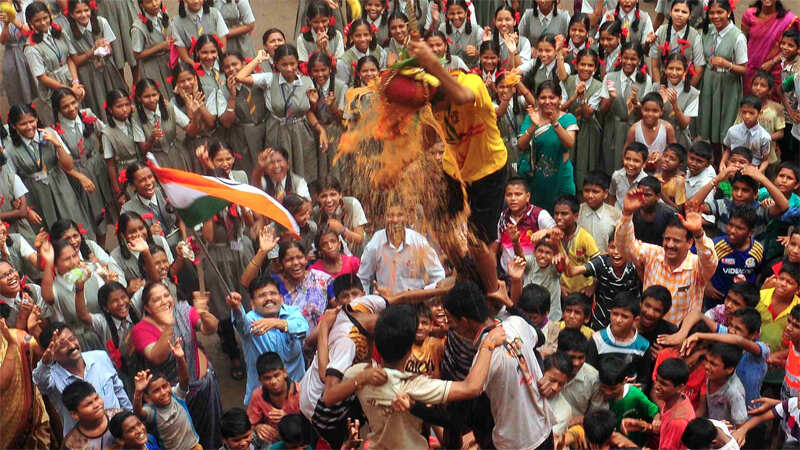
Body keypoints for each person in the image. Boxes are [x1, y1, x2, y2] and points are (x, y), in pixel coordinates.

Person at [342, 304, 506, 449]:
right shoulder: (415, 385)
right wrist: (488, 343)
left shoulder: (359, 374)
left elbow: (329, 388)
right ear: (409, 350)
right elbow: (471, 387)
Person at [406, 36, 509, 241]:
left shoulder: (472, 81)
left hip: (488, 169)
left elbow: (462, 97)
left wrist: (432, 63)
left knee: (480, 239)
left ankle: (486, 274)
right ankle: (460, 269)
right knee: (447, 229)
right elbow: (425, 142)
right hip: (454, 172)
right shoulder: (430, 101)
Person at [442, 280, 555, 449]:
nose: (450, 327)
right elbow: (540, 337)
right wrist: (510, 304)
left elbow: (469, 392)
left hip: (515, 444)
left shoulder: (483, 360)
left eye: (451, 322)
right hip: (544, 432)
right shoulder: (516, 323)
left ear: (464, 322)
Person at [129, 282, 222, 449]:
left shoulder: (183, 309)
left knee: (211, 435)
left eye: (166, 295)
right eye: (157, 300)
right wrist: (168, 325)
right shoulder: (141, 329)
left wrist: (204, 313)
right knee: (183, 440)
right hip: (171, 399)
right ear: (147, 308)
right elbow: (157, 356)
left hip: (202, 385)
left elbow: (211, 329)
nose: (164, 301)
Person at [616, 188, 718, 325]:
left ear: (689, 242)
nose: (669, 244)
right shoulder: (653, 254)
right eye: (667, 239)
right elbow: (624, 248)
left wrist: (699, 233)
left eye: (676, 241)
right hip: (647, 330)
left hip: (679, 338)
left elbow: (710, 261)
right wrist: (627, 214)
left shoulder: (696, 265)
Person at [33, 322, 132, 437]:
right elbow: (40, 381)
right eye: (63, 345)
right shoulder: (52, 377)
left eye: (72, 339)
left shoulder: (100, 357)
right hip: (85, 443)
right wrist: (45, 362)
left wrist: (131, 416)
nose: (72, 346)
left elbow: (118, 391)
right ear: (52, 354)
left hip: (119, 434)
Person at [228, 275, 308, 405]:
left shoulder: (293, 313)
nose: (269, 298)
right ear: (252, 304)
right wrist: (236, 308)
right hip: (263, 400)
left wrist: (276, 323)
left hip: (297, 395)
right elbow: (241, 322)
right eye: (262, 295)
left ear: (281, 299)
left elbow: (303, 329)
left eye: (273, 293)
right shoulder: (251, 320)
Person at [518, 80, 579, 213]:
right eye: (543, 98)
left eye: (552, 97)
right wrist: (533, 126)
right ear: (537, 99)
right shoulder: (531, 118)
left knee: (562, 217)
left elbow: (569, 143)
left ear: (560, 99)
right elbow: (521, 145)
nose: (547, 101)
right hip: (537, 181)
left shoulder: (568, 118)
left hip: (561, 179)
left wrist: (555, 123)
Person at [358, 203, 445, 294]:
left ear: (406, 216)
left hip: (416, 303)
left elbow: (438, 275)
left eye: (400, 215)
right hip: (387, 303)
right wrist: (368, 302)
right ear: (383, 218)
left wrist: (423, 293)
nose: (395, 220)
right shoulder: (375, 244)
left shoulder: (419, 242)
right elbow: (363, 278)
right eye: (390, 216)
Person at [133, 340, 200, 450]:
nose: (163, 392)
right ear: (148, 398)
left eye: (164, 386)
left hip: (194, 446)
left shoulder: (177, 395)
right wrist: (138, 393)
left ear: (169, 385)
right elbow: (138, 413)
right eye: (156, 391)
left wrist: (180, 358)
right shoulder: (151, 411)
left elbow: (184, 379)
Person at [565, 236, 641, 330]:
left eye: (621, 248)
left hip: (627, 323)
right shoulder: (602, 262)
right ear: (607, 248)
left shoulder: (636, 264)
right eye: (613, 247)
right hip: (601, 322)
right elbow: (572, 271)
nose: (616, 252)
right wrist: (560, 253)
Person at [0, 315, 52, 449]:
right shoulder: (13, 341)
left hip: (32, 423)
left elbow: (42, 350)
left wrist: (34, 330)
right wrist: (11, 347)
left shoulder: (17, 336)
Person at [625, 357, 696, 450]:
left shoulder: (677, 422)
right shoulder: (678, 399)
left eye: (663, 384)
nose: (656, 386)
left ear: (679, 387)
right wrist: (646, 427)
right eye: (657, 380)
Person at [492, 176, 556, 275]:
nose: (513, 198)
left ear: (527, 197)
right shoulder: (502, 218)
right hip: (508, 275)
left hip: (534, 275)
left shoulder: (540, 215)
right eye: (509, 195)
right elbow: (494, 248)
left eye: (518, 194)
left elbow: (560, 233)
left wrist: (546, 231)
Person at [585, 292, 651, 384]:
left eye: (624, 316)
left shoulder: (643, 345)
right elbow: (589, 373)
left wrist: (637, 388)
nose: (618, 320)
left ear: (636, 320)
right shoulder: (597, 340)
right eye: (615, 314)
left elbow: (644, 379)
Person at [706, 205, 764, 306]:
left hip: (742, 308)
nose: (732, 231)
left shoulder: (758, 250)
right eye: (730, 225)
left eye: (739, 228)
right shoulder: (714, 245)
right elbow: (695, 261)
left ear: (750, 232)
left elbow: (759, 273)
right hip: (715, 303)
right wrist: (706, 284)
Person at [598, 355, 658, 446]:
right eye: (604, 387)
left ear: (625, 381)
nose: (607, 392)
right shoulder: (597, 395)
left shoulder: (635, 395)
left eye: (613, 389)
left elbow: (654, 412)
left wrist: (655, 421)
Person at [247, 352, 302, 447]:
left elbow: (310, 423)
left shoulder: (300, 392)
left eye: (276, 375)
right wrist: (257, 427)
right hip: (271, 440)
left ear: (284, 373)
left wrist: (288, 418)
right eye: (267, 378)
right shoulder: (257, 395)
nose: (273, 381)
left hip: (297, 440)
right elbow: (248, 424)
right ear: (260, 380)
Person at [741, 0, 796, 94]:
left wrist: (772, 62)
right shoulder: (749, 14)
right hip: (751, 70)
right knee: (751, 104)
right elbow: (743, 42)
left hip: (774, 70)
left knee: (772, 106)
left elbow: (791, 48)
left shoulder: (788, 20)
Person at [555, 195, 600, 298]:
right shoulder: (554, 236)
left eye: (564, 214)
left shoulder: (585, 237)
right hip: (562, 291)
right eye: (556, 213)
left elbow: (599, 264)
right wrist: (559, 287)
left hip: (583, 293)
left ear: (575, 216)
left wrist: (593, 285)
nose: (559, 217)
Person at [61, 380, 121, 450]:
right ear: (75, 414)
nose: (97, 405)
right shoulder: (72, 444)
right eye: (88, 404)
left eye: (97, 398)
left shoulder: (118, 417)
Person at [721, 97, 772, 173]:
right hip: (733, 167)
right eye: (744, 112)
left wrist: (757, 173)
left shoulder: (764, 137)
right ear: (740, 111)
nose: (747, 116)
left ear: (760, 113)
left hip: (753, 169)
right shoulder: (732, 131)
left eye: (751, 113)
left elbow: (766, 160)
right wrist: (722, 162)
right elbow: (728, 149)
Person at [701, 342, 748, 425]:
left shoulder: (734, 392)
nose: (706, 366)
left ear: (729, 369)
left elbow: (740, 427)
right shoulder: (710, 376)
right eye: (706, 360)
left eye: (713, 364)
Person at [577, 171, 621, 253]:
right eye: (587, 191)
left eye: (595, 192)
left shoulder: (615, 215)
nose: (590, 196)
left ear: (606, 193)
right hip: (580, 263)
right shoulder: (577, 212)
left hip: (605, 262)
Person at [632, 176, 677, 246]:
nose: (642, 198)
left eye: (647, 195)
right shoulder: (632, 212)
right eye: (640, 194)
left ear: (658, 196)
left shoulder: (669, 214)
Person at [608, 142, 648, 210]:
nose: (630, 163)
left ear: (644, 164)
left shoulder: (646, 181)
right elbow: (612, 195)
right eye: (627, 159)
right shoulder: (616, 176)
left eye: (636, 161)